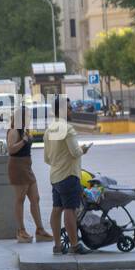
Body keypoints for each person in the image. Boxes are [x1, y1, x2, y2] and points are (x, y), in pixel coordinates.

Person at [43, 105, 92, 255]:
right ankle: (75, 245)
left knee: (57, 209)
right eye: (69, 108)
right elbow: (74, 152)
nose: (71, 111)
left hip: (55, 176)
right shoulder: (67, 129)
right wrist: (83, 149)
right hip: (69, 175)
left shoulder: (48, 130)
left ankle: (57, 246)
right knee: (70, 210)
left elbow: (46, 158)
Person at [6, 110, 55, 243]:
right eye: (26, 117)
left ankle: (40, 230)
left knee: (35, 198)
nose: (29, 119)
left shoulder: (24, 130)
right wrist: (23, 141)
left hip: (27, 167)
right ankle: (21, 231)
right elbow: (10, 149)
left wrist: (26, 138)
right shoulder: (14, 131)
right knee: (20, 199)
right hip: (17, 167)